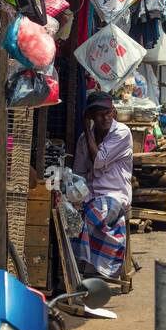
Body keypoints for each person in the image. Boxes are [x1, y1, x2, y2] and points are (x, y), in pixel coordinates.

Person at [71, 90, 133, 280]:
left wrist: (86, 129)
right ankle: (77, 271)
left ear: (113, 112)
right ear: (92, 116)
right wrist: (74, 198)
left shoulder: (122, 132)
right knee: (68, 217)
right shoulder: (84, 140)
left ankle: (100, 270)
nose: (105, 118)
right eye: (99, 114)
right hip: (91, 195)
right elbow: (78, 173)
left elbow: (98, 159)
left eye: (108, 113)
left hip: (115, 194)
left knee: (95, 214)